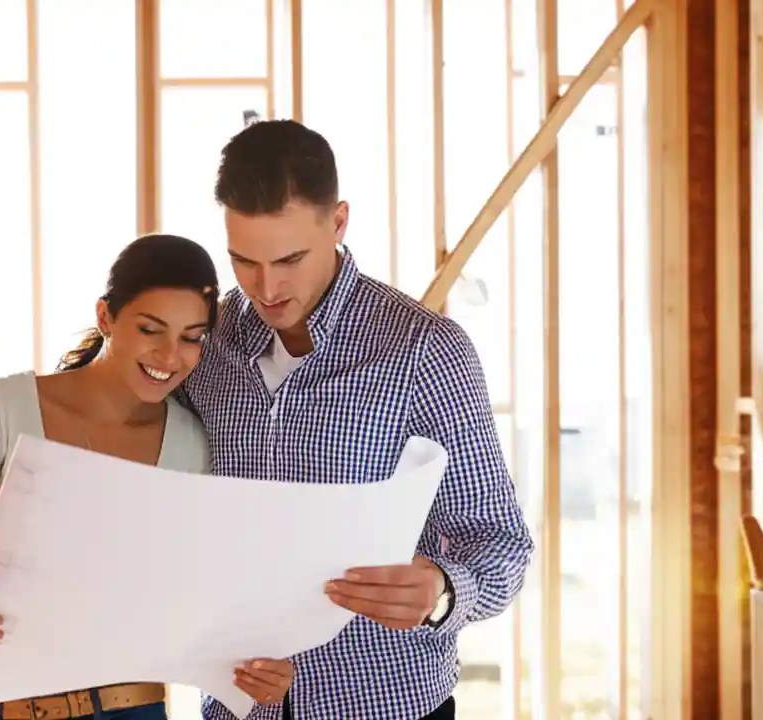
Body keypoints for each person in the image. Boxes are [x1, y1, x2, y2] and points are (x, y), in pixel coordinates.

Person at [179, 119, 535, 720]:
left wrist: (442, 593)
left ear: (338, 222)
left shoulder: (425, 350)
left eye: (290, 258)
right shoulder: (205, 344)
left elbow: (502, 544)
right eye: (243, 260)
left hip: (385, 707)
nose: (267, 286)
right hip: (239, 706)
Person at [0, 234, 294, 720]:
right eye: (151, 329)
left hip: (135, 709)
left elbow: (207, 598)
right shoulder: (2, 409)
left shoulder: (193, 442)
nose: (171, 357)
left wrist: (260, 664)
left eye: (191, 337)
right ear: (106, 317)